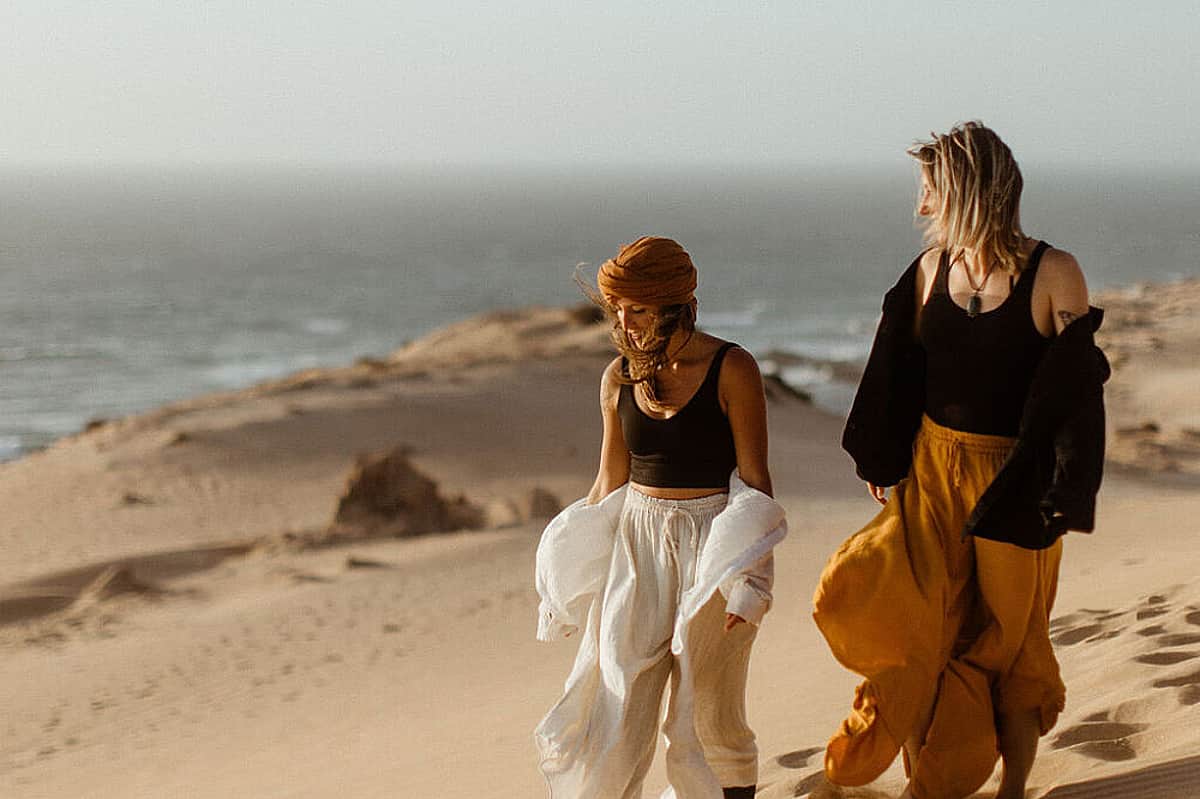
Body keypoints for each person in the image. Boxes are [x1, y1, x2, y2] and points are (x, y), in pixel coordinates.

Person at [813, 122, 1109, 799]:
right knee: (922, 631)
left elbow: (1076, 391)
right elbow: (897, 371)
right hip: (931, 472)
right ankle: (920, 779)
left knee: (1011, 637)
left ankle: (1013, 789)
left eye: (929, 191)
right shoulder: (927, 272)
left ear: (965, 191)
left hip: (1016, 480)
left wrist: (1066, 487)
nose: (921, 207)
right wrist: (882, 457)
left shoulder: (1054, 273)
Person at [533, 236, 786, 799]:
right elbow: (608, 481)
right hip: (636, 549)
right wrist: (565, 574)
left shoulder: (732, 368)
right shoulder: (618, 376)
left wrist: (750, 583)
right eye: (617, 308)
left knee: (709, 717)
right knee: (617, 708)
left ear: (675, 304)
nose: (625, 321)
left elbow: (757, 482)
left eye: (639, 309)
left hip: (713, 545)